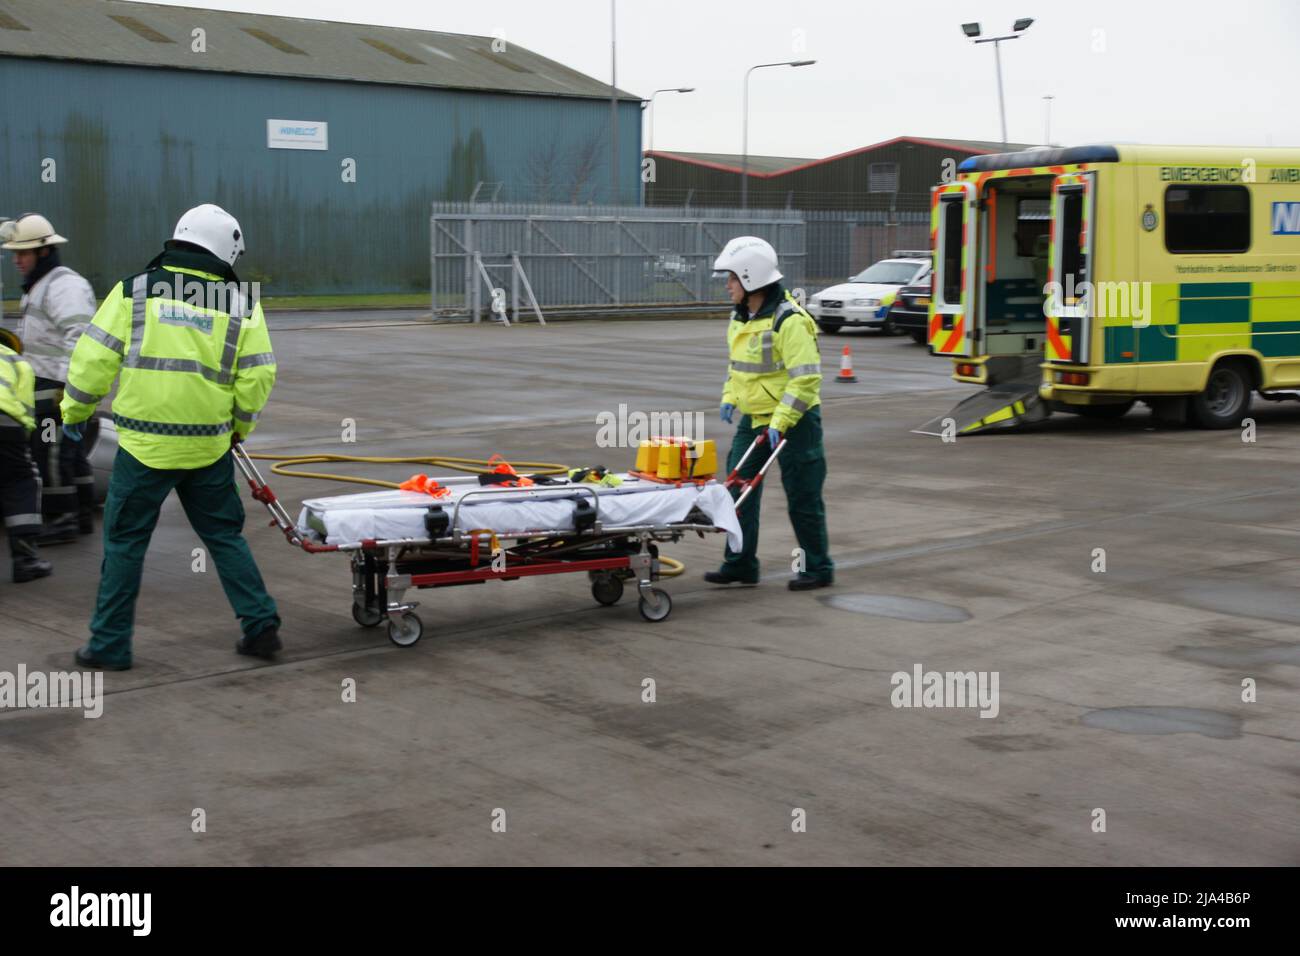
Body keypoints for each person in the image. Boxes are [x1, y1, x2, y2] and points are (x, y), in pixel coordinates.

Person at [59, 204, 281, 670]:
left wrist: (74, 414)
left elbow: (92, 360)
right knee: (224, 536)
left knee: (125, 543)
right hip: (208, 448)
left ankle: (110, 645)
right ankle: (260, 625)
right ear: (225, 251)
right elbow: (258, 376)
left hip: (143, 448)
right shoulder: (241, 302)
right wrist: (237, 427)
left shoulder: (133, 291)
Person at [706, 236, 834, 591]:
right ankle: (741, 564)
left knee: (803, 497)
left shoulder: (790, 320)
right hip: (754, 421)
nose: (727, 285)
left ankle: (818, 568)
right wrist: (730, 395)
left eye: (731, 278)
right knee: (737, 492)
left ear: (750, 280)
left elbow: (806, 379)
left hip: (796, 424)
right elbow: (738, 368)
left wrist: (780, 422)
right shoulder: (740, 318)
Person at [1, 214, 98, 543]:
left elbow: (81, 337)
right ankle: (82, 514)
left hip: (57, 385)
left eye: (23, 253)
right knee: (71, 452)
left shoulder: (63, 285)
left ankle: (63, 518)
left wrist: (70, 387)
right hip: (45, 384)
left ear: (44, 252)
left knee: (50, 452)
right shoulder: (41, 285)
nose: (17, 260)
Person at [0, 327, 52, 582]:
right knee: (21, 482)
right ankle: (26, 560)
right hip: (5, 422)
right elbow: (26, 415)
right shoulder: (18, 362)